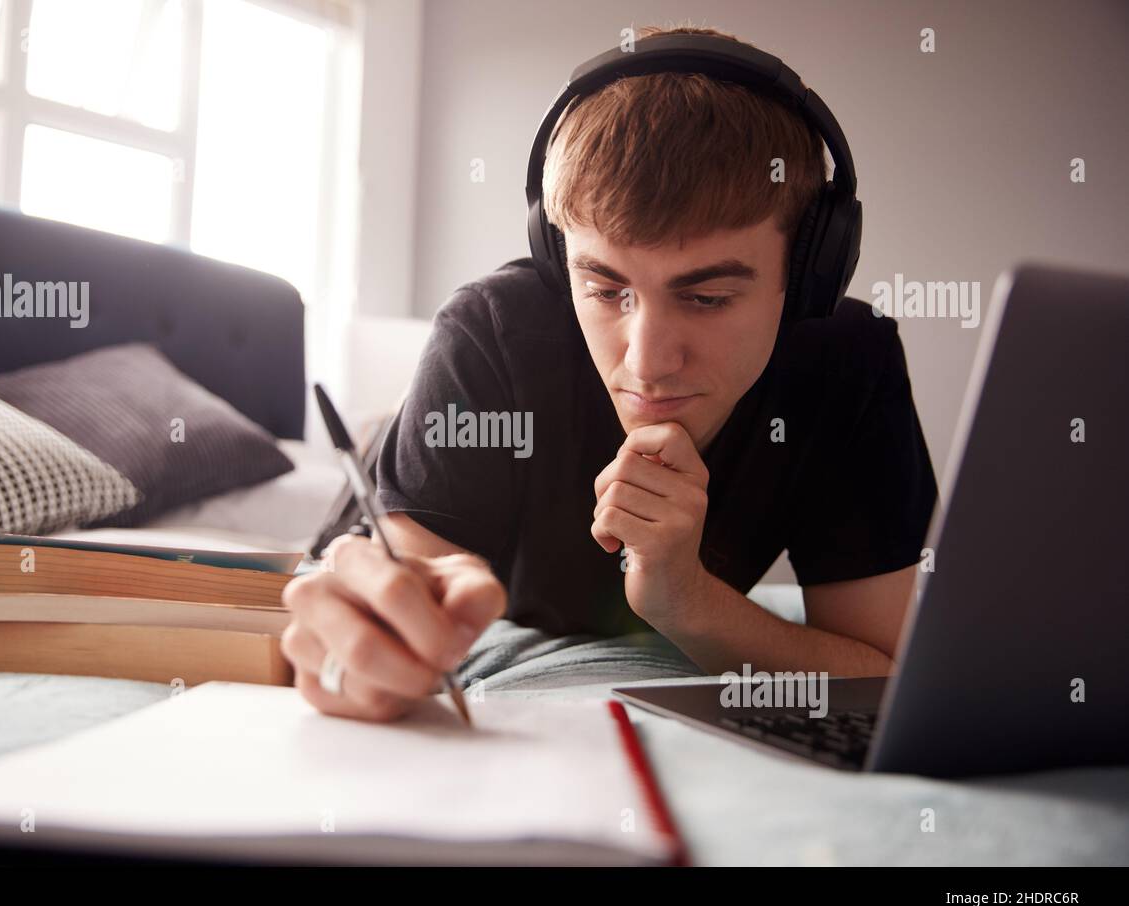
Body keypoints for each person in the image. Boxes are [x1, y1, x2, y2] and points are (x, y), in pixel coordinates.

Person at [280, 24, 937, 722]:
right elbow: (394, 599)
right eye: (602, 288)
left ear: (807, 275)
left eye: (708, 297)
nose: (647, 364)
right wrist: (384, 637)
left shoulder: (849, 365)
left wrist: (688, 599)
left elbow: (884, 675)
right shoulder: (489, 333)